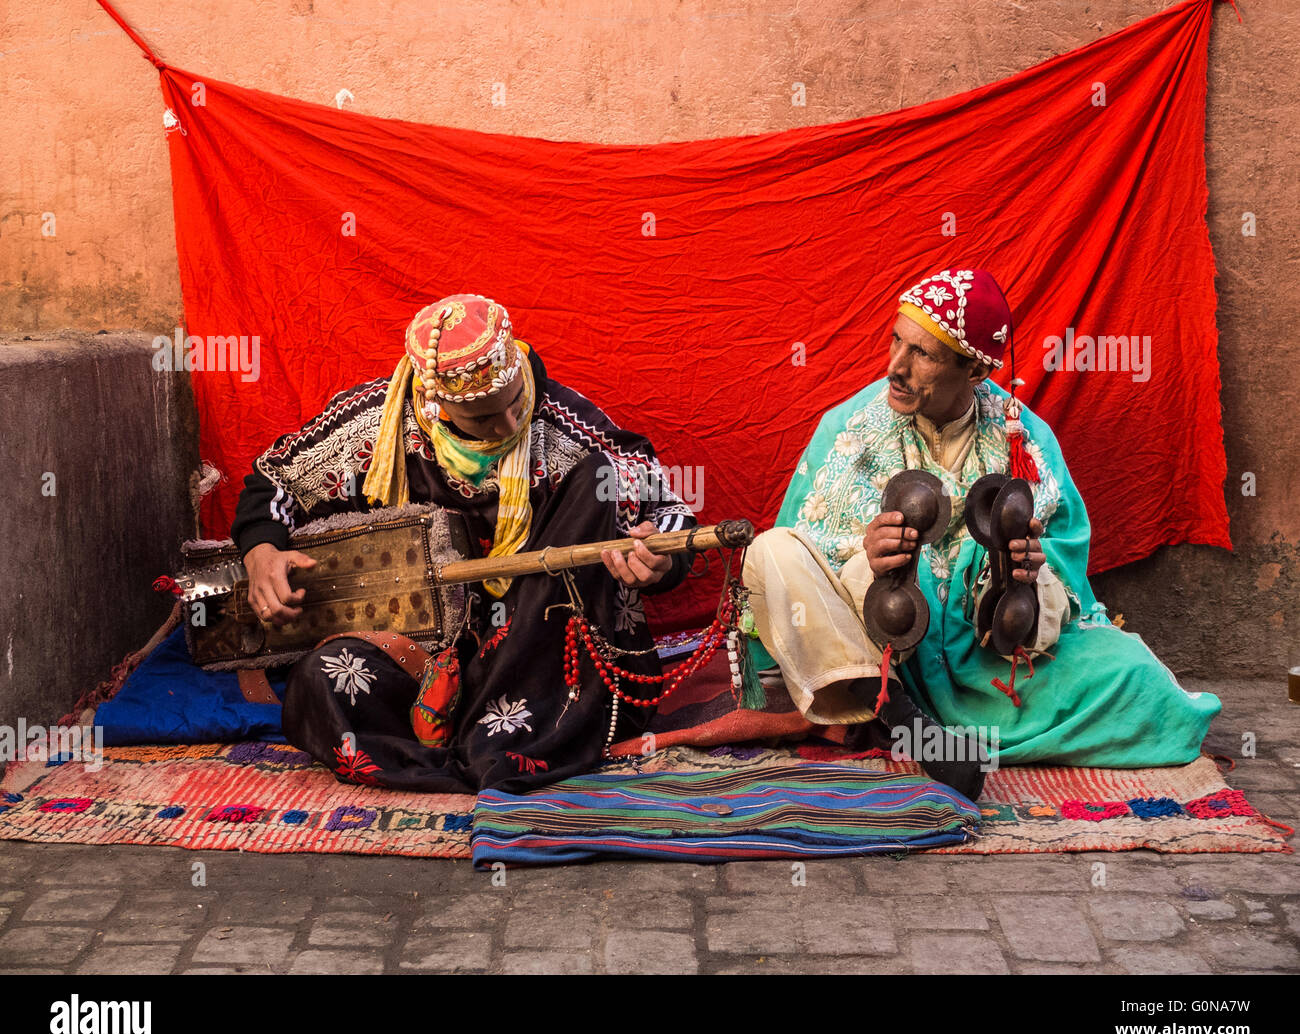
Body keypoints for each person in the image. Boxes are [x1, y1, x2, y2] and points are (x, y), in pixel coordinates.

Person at [743, 268, 1220, 800]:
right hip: (879, 649)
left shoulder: (1026, 440)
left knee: (1142, 684)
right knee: (771, 551)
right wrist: (866, 556)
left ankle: (875, 722)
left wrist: (1027, 575)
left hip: (987, 658)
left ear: (973, 369)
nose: (894, 368)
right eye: (896, 341)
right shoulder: (847, 428)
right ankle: (902, 720)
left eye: (922, 354)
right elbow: (803, 555)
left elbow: (1064, 577)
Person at [231, 294, 696, 793]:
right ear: (434, 404)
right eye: (483, 419)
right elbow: (273, 481)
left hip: (535, 645)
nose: (510, 425)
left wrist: (660, 560)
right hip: (424, 652)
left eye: (516, 402)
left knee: (597, 482)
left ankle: (493, 736)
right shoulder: (373, 424)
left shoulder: (567, 426)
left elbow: (668, 516)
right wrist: (262, 554)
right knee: (321, 681)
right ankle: (479, 736)